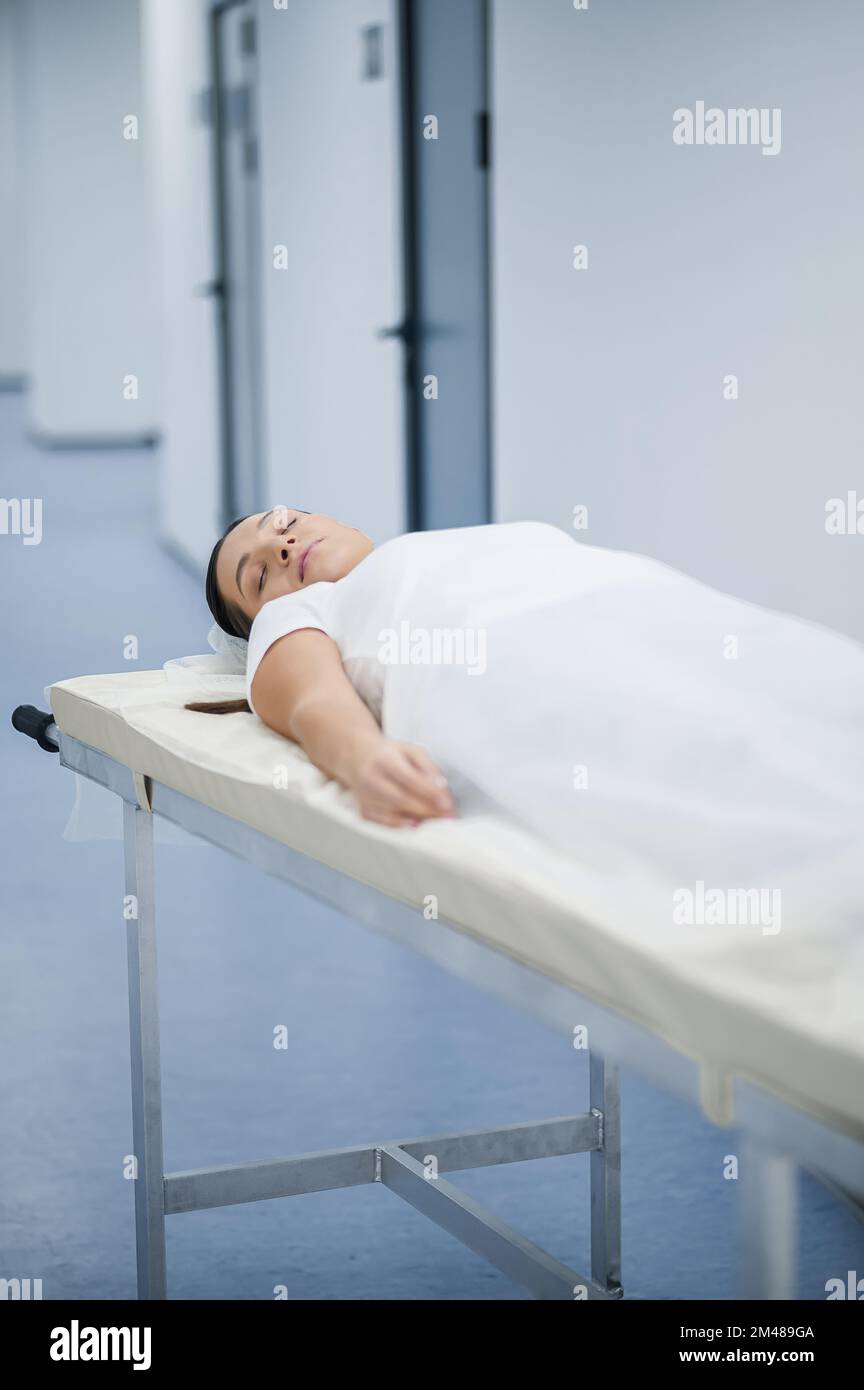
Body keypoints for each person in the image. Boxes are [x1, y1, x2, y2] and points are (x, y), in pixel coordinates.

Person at [185, 506, 864, 935]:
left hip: (638, 602)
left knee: (807, 686)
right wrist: (362, 758)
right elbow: (307, 700)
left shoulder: (440, 543)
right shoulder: (306, 613)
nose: (280, 545)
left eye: (281, 522)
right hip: (515, 664)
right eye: (255, 576)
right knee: (728, 763)